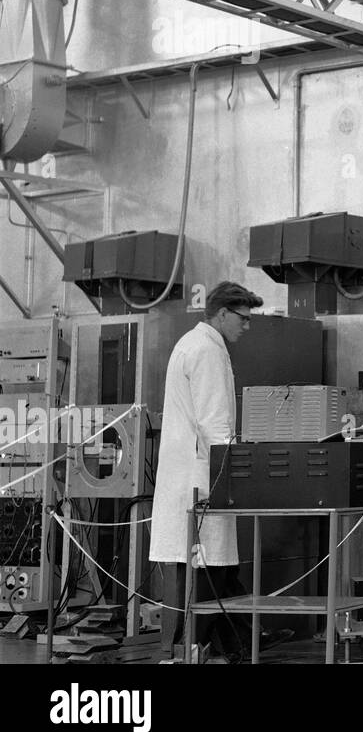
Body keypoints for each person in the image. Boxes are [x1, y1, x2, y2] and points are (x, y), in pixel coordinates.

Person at [149, 280, 262, 661]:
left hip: (190, 473)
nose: (247, 327)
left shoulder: (192, 344)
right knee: (209, 570)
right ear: (223, 313)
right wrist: (238, 468)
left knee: (217, 572)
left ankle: (241, 643)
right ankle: (195, 646)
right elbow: (214, 421)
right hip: (202, 478)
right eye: (243, 319)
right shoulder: (208, 351)